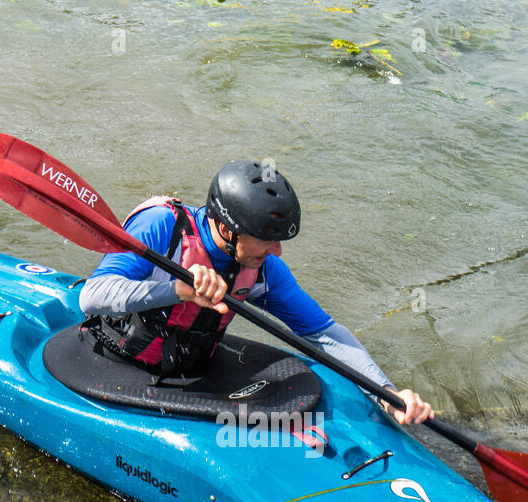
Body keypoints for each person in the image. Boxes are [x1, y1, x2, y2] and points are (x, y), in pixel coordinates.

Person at [77, 160, 434, 426]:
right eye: (267, 239)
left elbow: (323, 333)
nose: (276, 251)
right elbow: (91, 296)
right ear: (227, 228)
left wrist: (387, 394)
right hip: (115, 361)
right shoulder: (161, 228)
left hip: (192, 369)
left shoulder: (263, 271)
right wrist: (178, 290)